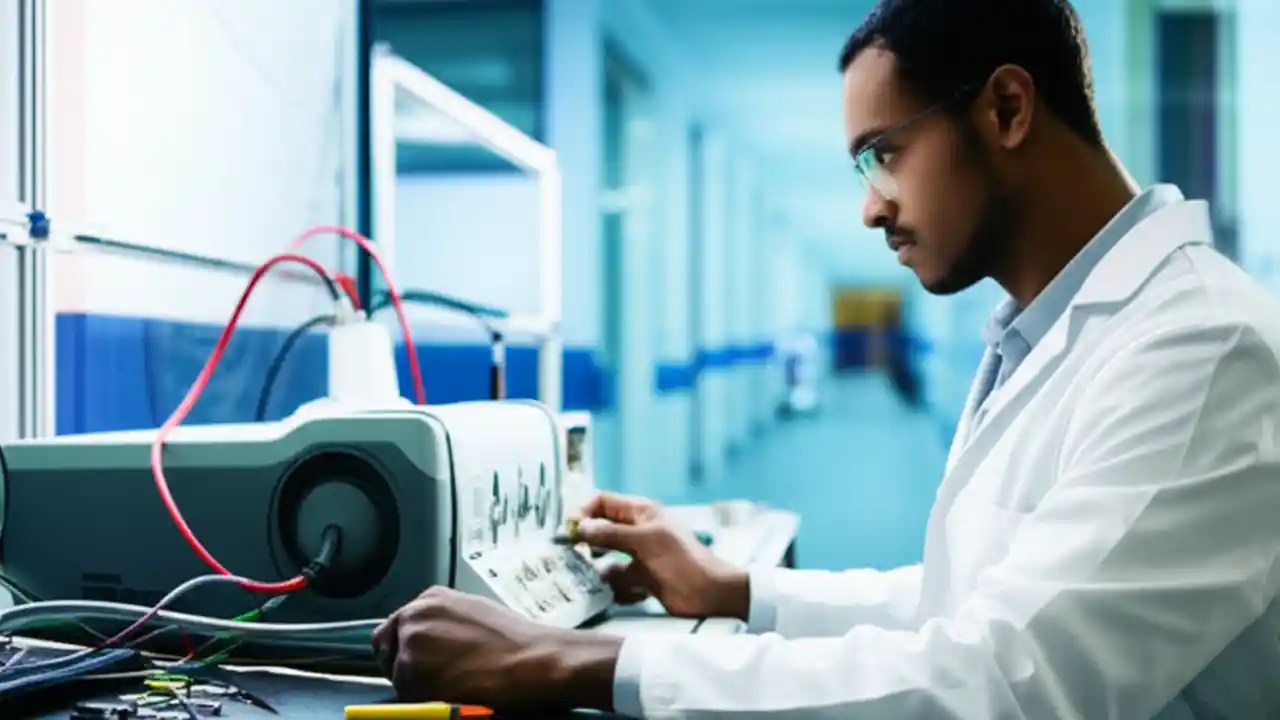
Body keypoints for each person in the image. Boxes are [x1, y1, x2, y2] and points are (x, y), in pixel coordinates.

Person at [372, 0, 1280, 716]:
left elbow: (1012, 679)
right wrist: (731, 587)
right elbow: (976, 602)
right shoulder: (1046, 328)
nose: (872, 208)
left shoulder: (1201, 348)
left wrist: (571, 657)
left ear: (1006, 108)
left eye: (885, 154)